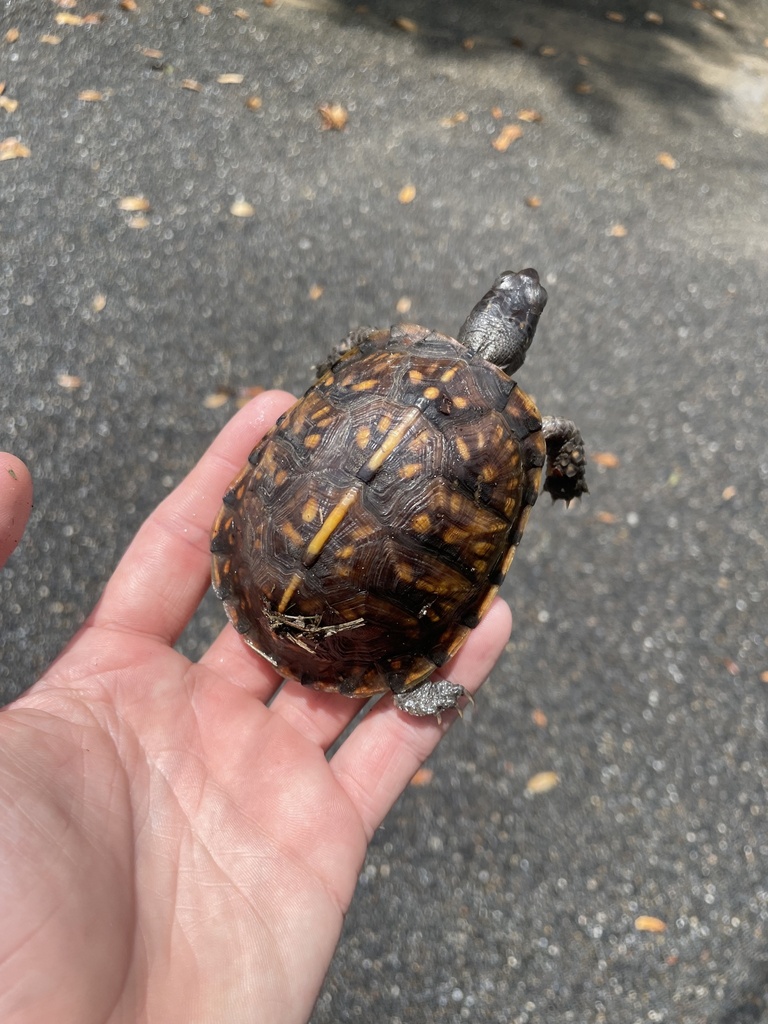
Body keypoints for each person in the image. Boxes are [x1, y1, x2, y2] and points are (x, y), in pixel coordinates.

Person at [0, 392, 511, 1024]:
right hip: (350, 621)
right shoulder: (516, 446)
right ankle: (402, 679)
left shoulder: (389, 366)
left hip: (264, 569)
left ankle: (402, 678)